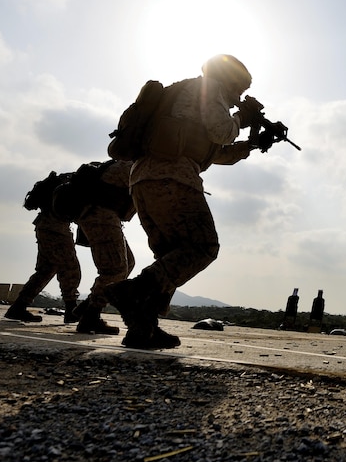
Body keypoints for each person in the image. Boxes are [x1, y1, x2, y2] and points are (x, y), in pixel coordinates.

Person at [106, 54, 257, 350]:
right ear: (228, 79)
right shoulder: (208, 88)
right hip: (172, 177)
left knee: (171, 257)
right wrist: (242, 119)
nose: (239, 96)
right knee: (202, 247)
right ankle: (131, 292)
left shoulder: (181, 94)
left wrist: (247, 147)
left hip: (143, 179)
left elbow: (210, 151)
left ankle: (142, 329)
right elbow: (221, 131)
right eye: (239, 89)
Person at [56, 160, 137, 335]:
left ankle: (87, 307)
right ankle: (90, 318)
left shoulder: (124, 165)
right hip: (100, 216)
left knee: (128, 263)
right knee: (114, 270)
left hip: (101, 216)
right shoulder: (133, 167)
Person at [5, 171, 81, 323]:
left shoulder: (66, 180)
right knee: (69, 268)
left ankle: (18, 307)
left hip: (45, 226)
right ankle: (71, 309)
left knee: (46, 270)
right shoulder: (75, 183)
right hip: (56, 229)